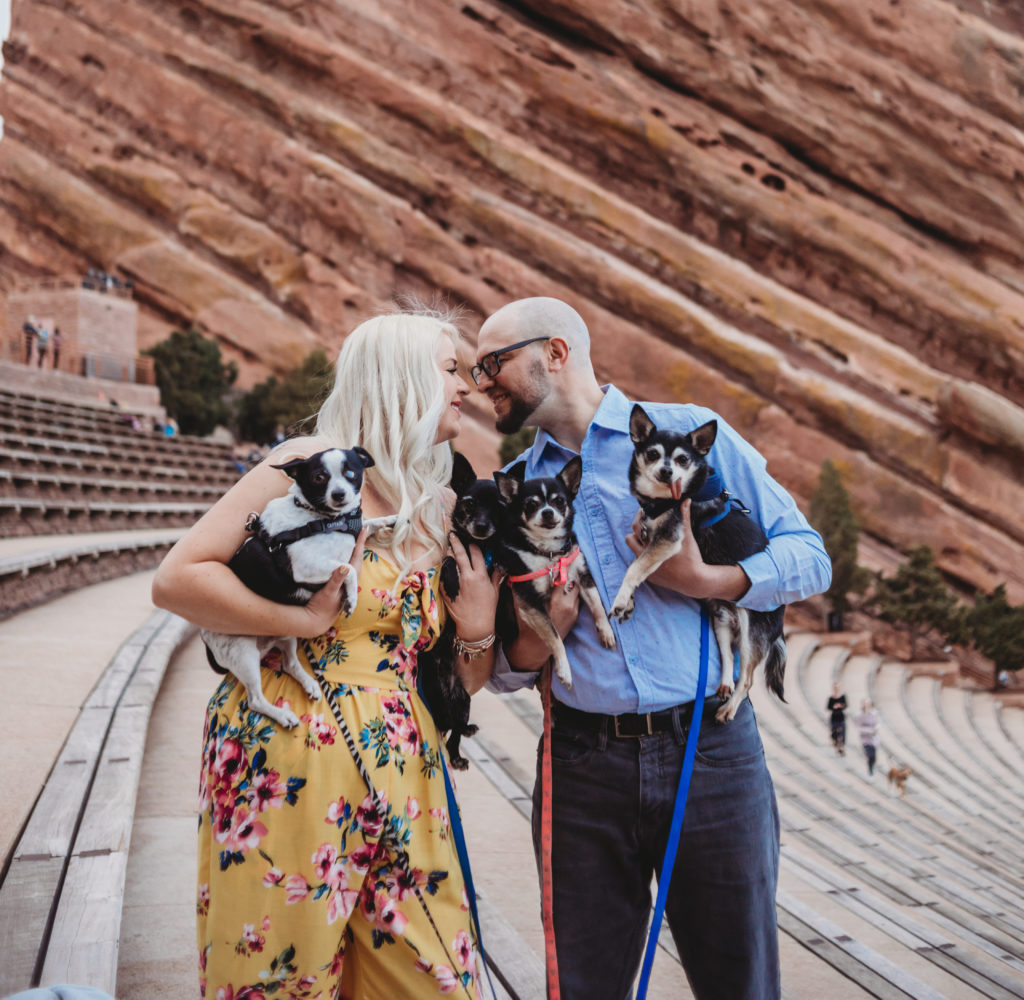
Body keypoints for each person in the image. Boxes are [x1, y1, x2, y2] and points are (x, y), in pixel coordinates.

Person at [477, 297, 831, 1000]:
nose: (483, 382)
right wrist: (533, 632)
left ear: (555, 353)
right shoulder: (514, 491)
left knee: (741, 981)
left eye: (493, 364)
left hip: (710, 751)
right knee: (582, 986)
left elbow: (811, 558)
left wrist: (708, 578)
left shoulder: (691, 435)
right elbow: (504, 676)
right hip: (581, 763)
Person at [153, 311, 499, 998]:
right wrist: (299, 620)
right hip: (286, 755)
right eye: (449, 368)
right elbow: (178, 578)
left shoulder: (440, 506)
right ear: (401, 378)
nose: (463, 387)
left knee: (433, 979)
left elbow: (468, 680)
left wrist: (479, 627)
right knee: (280, 978)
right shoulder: (311, 464)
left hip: (408, 768)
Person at [855, 697, 880, 775]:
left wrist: (876, 729)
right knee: (869, 754)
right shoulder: (860, 715)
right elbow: (859, 727)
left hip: (873, 738)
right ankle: (870, 770)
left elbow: (877, 723)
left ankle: (872, 766)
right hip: (865, 738)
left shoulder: (874, 713)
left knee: (874, 756)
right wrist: (869, 731)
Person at [827, 682, 847, 755]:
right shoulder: (831, 698)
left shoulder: (842, 697)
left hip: (841, 717)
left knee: (842, 733)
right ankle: (836, 744)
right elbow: (828, 707)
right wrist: (834, 707)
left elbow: (845, 705)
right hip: (834, 718)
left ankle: (841, 747)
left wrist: (840, 706)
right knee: (834, 733)